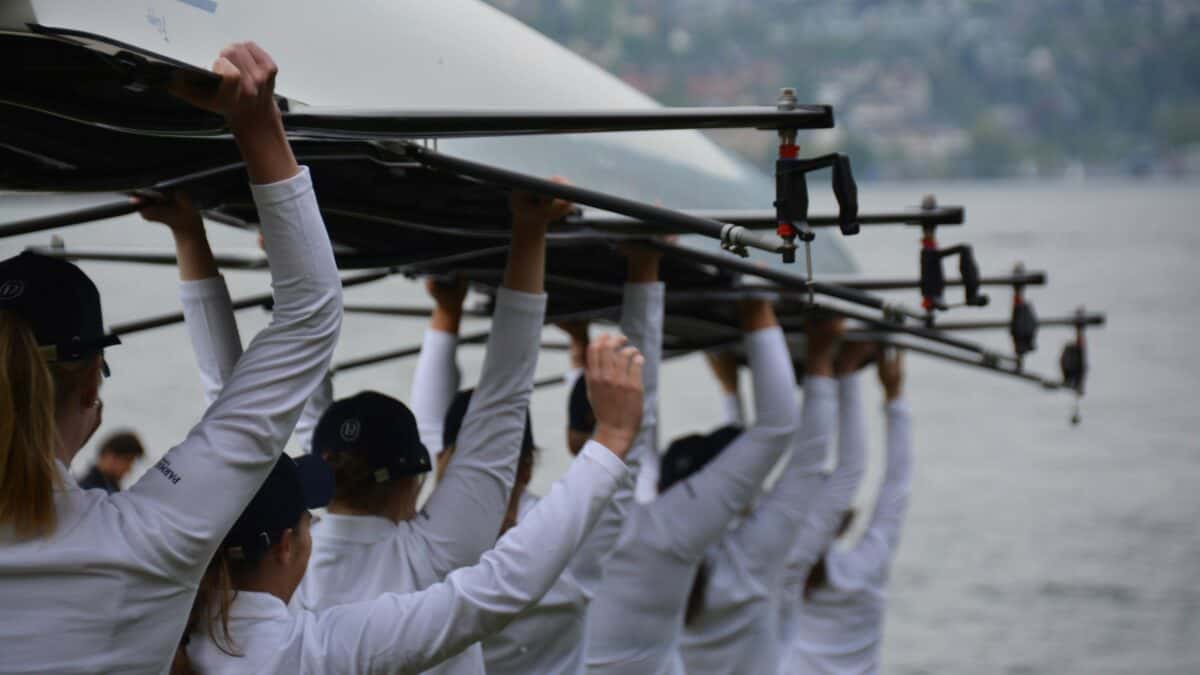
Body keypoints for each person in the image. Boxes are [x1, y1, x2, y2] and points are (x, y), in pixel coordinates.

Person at [0, 42, 342, 673]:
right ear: (90, 390)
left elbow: (306, 324)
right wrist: (257, 126)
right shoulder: (143, 542)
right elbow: (308, 317)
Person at [177, 334, 647, 674]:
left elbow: (231, 403)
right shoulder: (323, 649)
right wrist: (611, 438)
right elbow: (499, 586)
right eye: (308, 521)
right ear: (286, 546)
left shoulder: (169, 635)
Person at [585, 297, 800, 675]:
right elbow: (780, 439)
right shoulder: (680, 537)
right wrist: (755, 310)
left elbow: (637, 434)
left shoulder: (571, 521)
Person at [480, 242, 665, 675]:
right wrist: (645, 267)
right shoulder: (563, 551)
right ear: (528, 463)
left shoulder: (427, 550)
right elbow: (631, 437)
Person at [678, 316, 844, 675]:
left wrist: (730, 391)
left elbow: (737, 484)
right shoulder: (754, 558)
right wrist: (820, 357)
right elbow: (806, 461)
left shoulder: (658, 550)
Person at [782, 348, 912, 675]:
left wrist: (850, 374)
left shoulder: (785, 571)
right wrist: (893, 393)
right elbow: (896, 484)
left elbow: (744, 496)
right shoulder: (868, 565)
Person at [775, 340, 876, 661]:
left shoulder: (759, 557)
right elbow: (850, 469)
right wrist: (840, 369)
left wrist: (841, 371)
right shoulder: (781, 561)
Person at [78, 429, 146, 493]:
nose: (129, 468)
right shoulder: (87, 491)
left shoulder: (113, 489)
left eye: (132, 463)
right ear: (109, 455)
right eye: (127, 460)